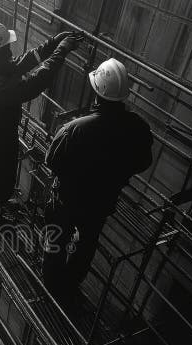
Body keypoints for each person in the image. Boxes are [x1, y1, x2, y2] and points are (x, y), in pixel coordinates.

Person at [42, 58, 153, 302]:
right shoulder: (138, 129)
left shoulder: (75, 129)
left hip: (68, 200)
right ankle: (70, 284)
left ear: (96, 93)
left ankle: (51, 285)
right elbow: (143, 162)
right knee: (86, 243)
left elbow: (52, 161)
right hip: (102, 201)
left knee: (56, 239)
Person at [0, 22, 83, 219]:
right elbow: (32, 86)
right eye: (7, 48)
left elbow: (19, 64)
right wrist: (60, 52)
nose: (11, 51)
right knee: (0, 179)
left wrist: (53, 43)